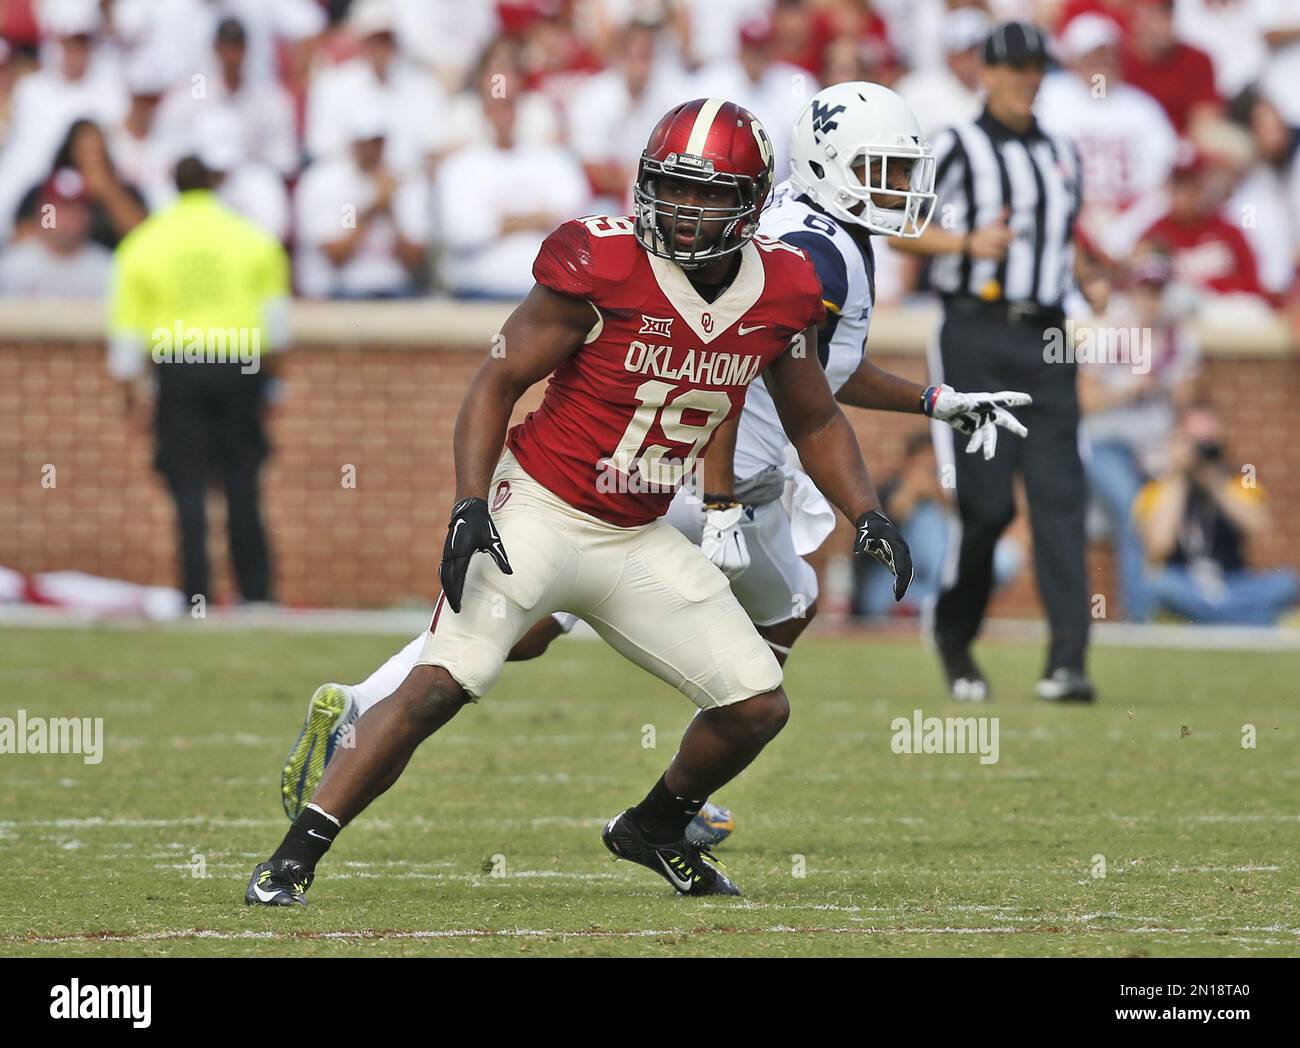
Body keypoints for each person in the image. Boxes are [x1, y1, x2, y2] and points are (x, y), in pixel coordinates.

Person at [275, 84, 1030, 848]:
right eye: (882, 170)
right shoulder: (812, 255)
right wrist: (724, 495)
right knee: (550, 618)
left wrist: (936, 401)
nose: (899, 189)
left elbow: (815, 374)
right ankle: (653, 794)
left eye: (901, 172)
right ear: (831, 165)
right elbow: (725, 365)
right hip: (687, 475)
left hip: (704, 472)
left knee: (705, 610)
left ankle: (386, 706)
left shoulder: (822, 246)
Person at [892, 21, 1097, 703]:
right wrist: (965, 243)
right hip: (976, 332)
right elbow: (900, 227)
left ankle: (1068, 662)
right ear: (987, 71)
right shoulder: (957, 142)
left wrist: (1098, 275)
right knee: (984, 507)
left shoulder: (1062, 151)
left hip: (1048, 337)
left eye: (1036, 66)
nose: (1027, 78)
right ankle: (955, 633)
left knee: (1061, 501)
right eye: (1014, 67)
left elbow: (1064, 240)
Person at [108, 155, 290, 608]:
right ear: (213, 180)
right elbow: (278, 327)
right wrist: (274, 386)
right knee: (243, 482)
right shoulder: (251, 237)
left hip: (177, 364)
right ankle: (256, 594)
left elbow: (128, 337)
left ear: (172, 182)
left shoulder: (145, 242)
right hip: (240, 362)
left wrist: (131, 394)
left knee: (187, 484)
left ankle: (196, 595)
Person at [1133, 405, 1298, 625]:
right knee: (1156, 584)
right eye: (1195, 441)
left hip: (1233, 583)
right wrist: (1177, 476)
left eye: (1208, 441)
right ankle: (1247, 623)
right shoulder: (1158, 486)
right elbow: (1157, 546)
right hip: (1185, 583)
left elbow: (1258, 526)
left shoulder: (1238, 481)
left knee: (1286, 583)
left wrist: (1212, 480)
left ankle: (1211, 620)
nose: (1201, 449)